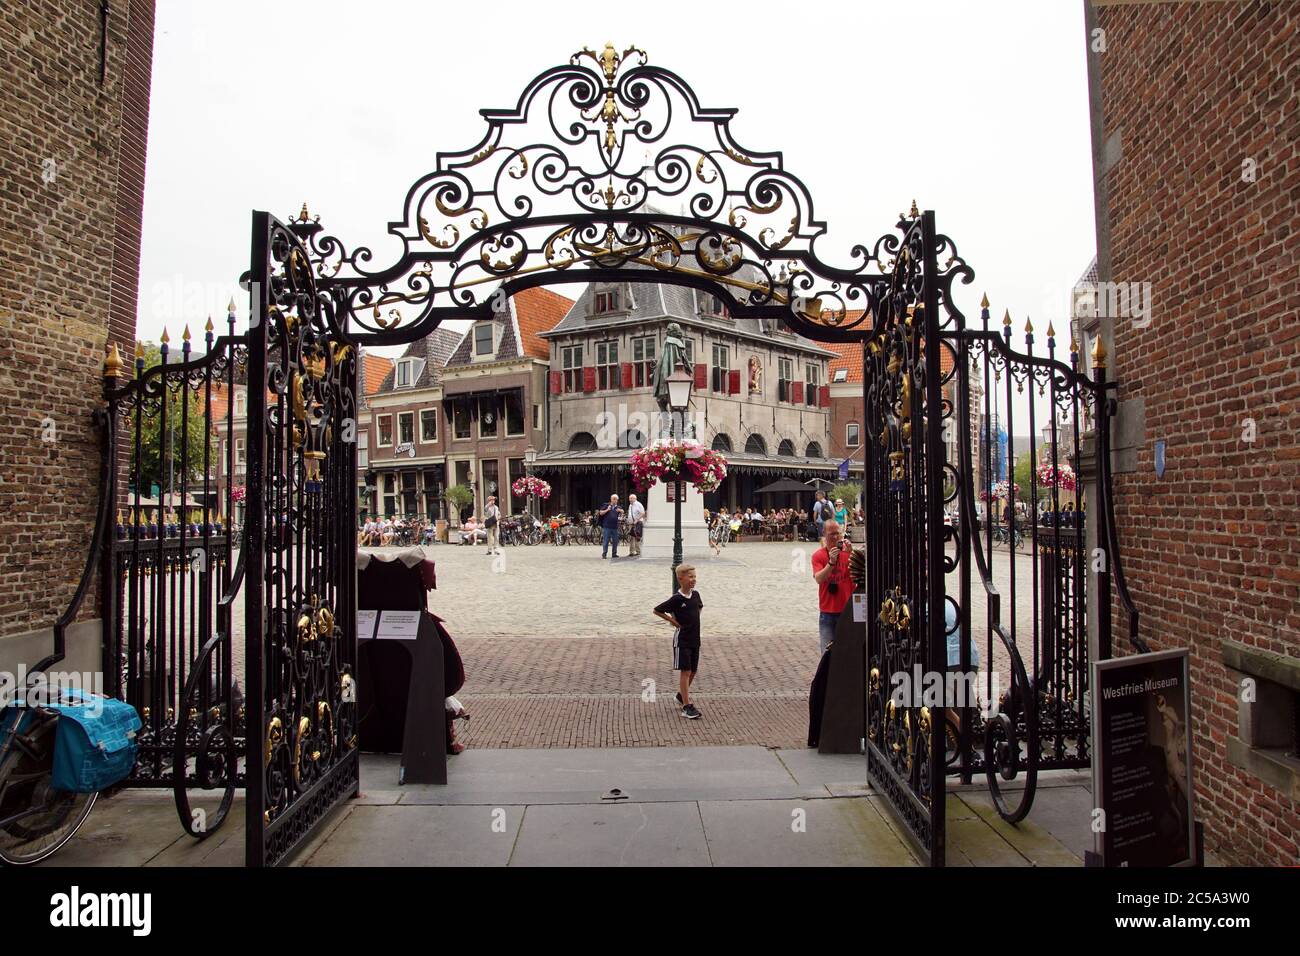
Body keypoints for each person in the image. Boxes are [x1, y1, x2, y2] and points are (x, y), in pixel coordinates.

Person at [653, 564, 704, 720]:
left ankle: (681, 696)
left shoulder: (695, 595)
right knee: (686, 671)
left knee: (693, 671)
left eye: (694, 577)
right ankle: (686, 706)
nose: (693, 580)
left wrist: (695, 618)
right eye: (690, 577)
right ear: (681, 578)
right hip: (682, 639)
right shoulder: (676, 599)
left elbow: (699, 607)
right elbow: (657, 610)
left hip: (695, 638)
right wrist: (673, 620)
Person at [811, 519, 853, 655]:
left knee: (848, 651)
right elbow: (818, 578)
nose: (835, 537)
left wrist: (853, 554)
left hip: (846, 610)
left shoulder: (847, 553)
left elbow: (861, 574)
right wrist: (831, 563)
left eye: (837, 534)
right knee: (827, 654)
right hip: (827, 612)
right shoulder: (818, 556)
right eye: (831, 534)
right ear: (824, 534)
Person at [598, 494, 622, 559]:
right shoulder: (606, 505)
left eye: (616, 499)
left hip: (615, 527)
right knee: (606, 540)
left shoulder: (618, 507)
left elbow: (622, 512)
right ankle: (604, 553)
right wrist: (607, 510)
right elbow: (600, 513)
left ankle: (614, 553)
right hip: (607, 526)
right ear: (611, 499)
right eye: (613, 499)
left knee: (615, 541)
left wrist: (621, 511)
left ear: (617, 500)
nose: (615, 500)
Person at [627, 493, 645, 557]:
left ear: (635, 498)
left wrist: (637, 520)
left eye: (631, 498)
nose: (630, 499)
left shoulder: (638, 504)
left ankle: (638, 552)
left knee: (637, 537)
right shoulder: (630, 505)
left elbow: (643, 513)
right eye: (629, 498)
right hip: (631, 523)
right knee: (631, 537)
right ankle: (631, 552)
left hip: (638, 523)